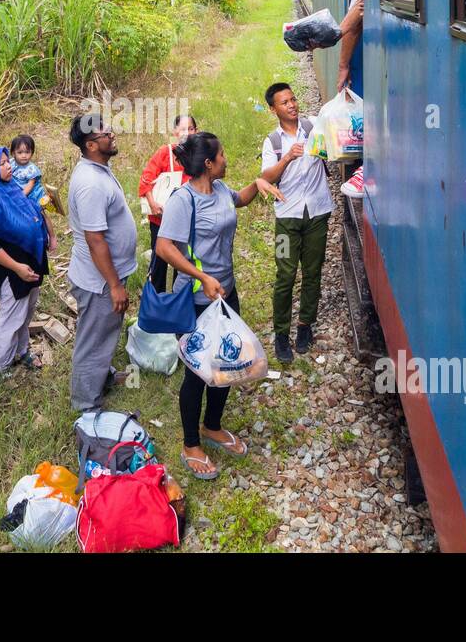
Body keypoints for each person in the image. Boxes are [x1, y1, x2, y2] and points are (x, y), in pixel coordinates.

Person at [155, 133, 284, 481]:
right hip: (197, 300)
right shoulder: (185, 200)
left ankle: (212, 427)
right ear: (209, 164)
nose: (227, 159)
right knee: (198, 373)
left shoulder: (220, 191)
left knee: (226, 364)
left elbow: (239, 200)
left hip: (226, 293)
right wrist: (202, 276)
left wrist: (259, 182)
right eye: (223, 155)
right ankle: (190, 444)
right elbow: (165, 247)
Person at [66, 112, 138, 412]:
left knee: (104, 333)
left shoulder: (99, 170)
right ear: (91, 145)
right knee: (93, 341)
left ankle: (102, 377)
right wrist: (114, 285)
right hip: (99, 282)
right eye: (106, 133)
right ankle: (86, 404)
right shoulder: (91, 184)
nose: (112, 135)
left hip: (105, 277)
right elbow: (96, 240)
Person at [260, 82, 335, 364]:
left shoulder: (314, 126)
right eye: (284, 102)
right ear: (273, 109)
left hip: (317, 212)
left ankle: (305, 326)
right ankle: (281, 333)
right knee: (285, 276)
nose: (291, 105)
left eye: (293, 99)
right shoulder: (273, 142)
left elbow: (336, 139)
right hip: (287, 218)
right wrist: (288, 158)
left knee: (313, 271)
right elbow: (266, 177)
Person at [0, 146, 58, 374]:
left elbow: (32, 214)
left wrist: (46, 234)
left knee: (25, 313)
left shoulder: (10, 189)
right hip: (12, 271)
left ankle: (21, 351)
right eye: (1, 164)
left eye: (6, 161)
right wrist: (17, 268)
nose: (9, 165)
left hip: (31, 263)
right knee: (10, 318)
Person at [138, 114, 197, 293]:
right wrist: (153, 203)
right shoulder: (166, 153)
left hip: (187, 221)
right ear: (175, 132)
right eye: (183, 129)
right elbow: (146, 179)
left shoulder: (199, 155)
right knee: (159, 262)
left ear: (197, 131)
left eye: (191, 129)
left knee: (184, 264)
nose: (187, 133)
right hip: (161, 220)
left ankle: (178, 302)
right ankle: (156, 302)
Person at [9, 134, 45, 204]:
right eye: (20, 152)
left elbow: (30, 185)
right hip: (17, 191)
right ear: (13, 153)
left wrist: (21, 197)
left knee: (38, 209)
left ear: (32, 153)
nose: (24, 155)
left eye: (27, 152)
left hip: (31, 194)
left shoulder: (31, 169)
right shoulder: (11, 162)